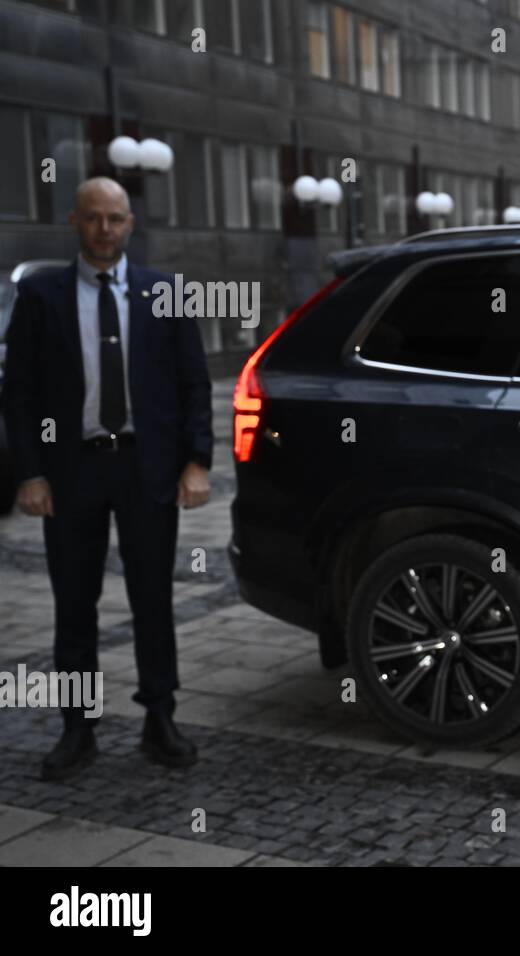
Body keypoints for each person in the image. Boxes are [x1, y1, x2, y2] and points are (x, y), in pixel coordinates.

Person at [0, 176, 213, 780]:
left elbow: (194, 383)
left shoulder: (164, 291)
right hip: (71, 472)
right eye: (93, 218)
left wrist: (197, 460)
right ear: (74, 222)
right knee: (75, 604)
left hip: (146, 469)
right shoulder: (41, 295)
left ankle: (159, 718)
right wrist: (33, 473)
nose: (104, 229)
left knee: (153, 600)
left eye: (115, 218)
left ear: (130, 224)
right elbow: (20, 393)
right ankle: (77, 727)